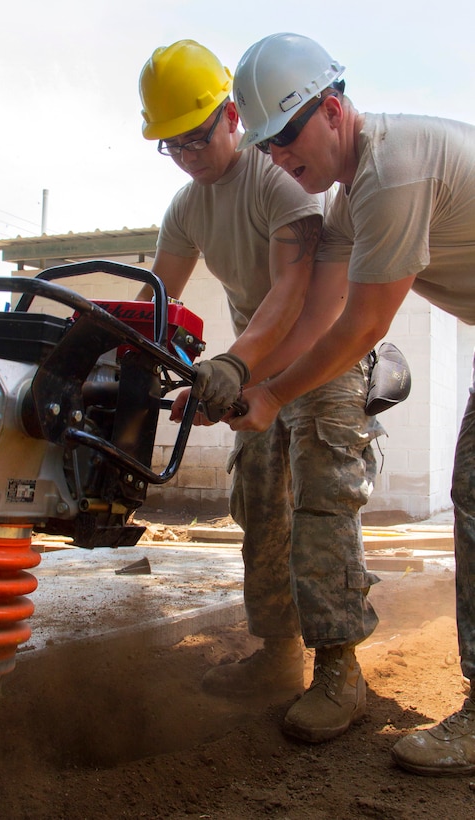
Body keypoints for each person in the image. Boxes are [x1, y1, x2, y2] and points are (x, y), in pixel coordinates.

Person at [230, 32, 475, 774]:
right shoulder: (347, 200)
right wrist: (243, 374)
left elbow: (366, 326)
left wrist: (272, 394)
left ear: (331, 109)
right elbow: (318, 313)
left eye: (286, 135)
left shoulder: (393, 173)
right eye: (265, 146)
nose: (277, 157)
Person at [137, 39, 385, 743]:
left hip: (325, 357)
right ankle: (277, 653)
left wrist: (236, 365)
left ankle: (339, 669)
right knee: (257, 503)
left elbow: (292, 291)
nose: (187, 154)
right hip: (252, 363)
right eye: (170, 144)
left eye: (196, 135)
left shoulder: (280, 181)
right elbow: (160, 301)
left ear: (231, 116)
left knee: (320, 499)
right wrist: (142, 360)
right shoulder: (186, 207)